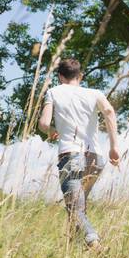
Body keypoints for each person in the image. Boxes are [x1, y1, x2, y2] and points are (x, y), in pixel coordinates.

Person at [38, 57, 121, 247]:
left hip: (71, 155)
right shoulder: (95, 93)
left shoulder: (53, 92)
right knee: (78, 207)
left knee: (75, 209)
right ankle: (74, 252)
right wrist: (114, 147)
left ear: (60, 77)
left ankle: (94, 244)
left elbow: (43, 123)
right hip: (95, 158)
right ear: (80, 76)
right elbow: (109, 111)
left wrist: (51, 130)